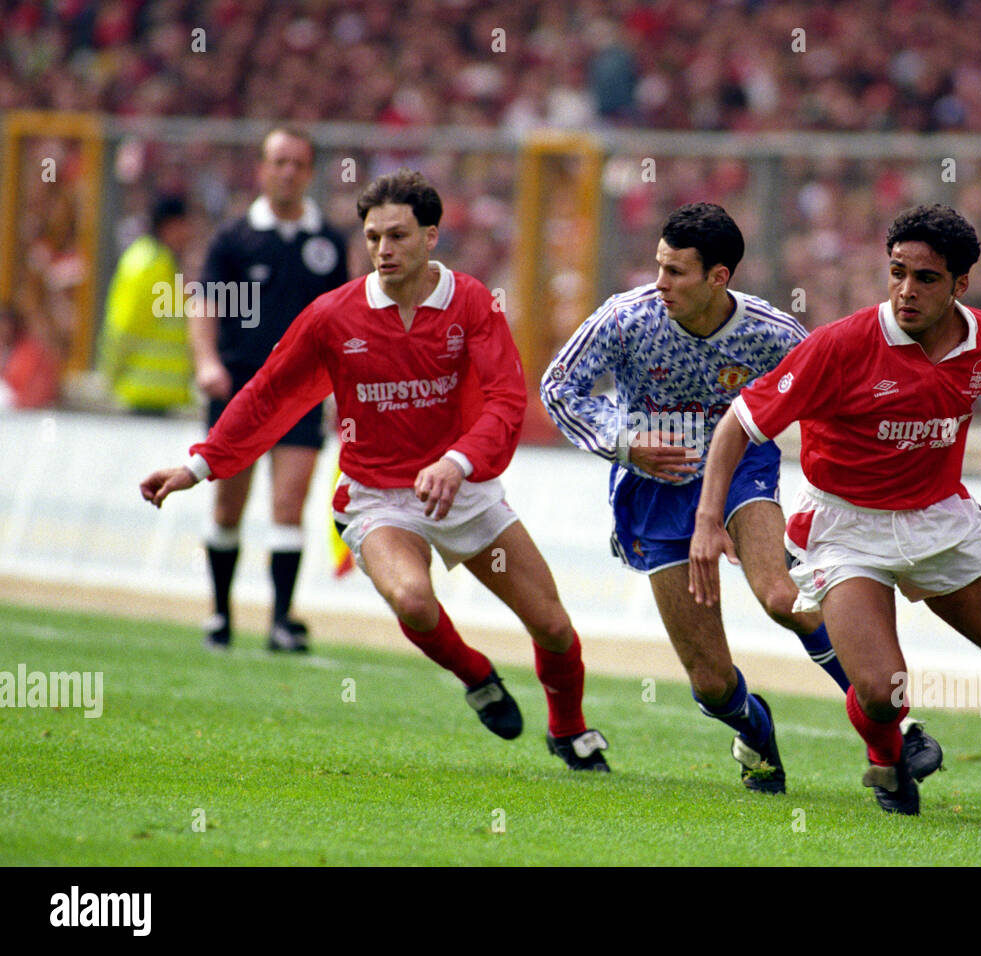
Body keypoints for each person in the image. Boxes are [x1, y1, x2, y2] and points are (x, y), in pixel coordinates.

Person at [142, 169, 611, 772]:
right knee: (414, 600)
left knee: (551, 625)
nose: (383, 250)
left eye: (398, 235)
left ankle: (569, 730)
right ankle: (476, 675)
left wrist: (457, 460)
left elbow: (505, 401)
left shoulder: (471, 302)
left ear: (431, 236)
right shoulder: (334, 316)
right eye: (372, 237)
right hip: (377, 498)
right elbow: (266, 395)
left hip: (463, 488)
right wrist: (199, 465)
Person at [689, 204, 981, 827]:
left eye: (925, 278)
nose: (906, 290)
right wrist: (710, 519)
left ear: (959, 286)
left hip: (939, 520)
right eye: (897, 272)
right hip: (846, 528)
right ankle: (887, 758)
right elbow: (739, 424)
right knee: (879, 689)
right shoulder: (842, 346)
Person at [541, 202, 939, 794]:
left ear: (718, 277)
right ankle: (754, 732)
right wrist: (626, 443)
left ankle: (898, 735)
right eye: (659, 266)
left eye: (676, 272)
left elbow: (834, 398)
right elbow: (558, 386)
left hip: (742, 468)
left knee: (784, 597)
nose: (660, 283)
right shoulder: (626, 320)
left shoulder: (771, 334)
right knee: (709, 681)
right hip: (653, 487)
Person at [190, 127, 349, 652]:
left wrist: (338, 392)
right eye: (278, 161)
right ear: (261, 168)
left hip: (299, 396)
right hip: (236, 390)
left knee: (289, 506)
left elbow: (341, 323)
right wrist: (208, 361)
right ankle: (219, 614)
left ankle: (281, 621)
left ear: (309, 173)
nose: (287, 172)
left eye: (297, 163)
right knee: (227, 509)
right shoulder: (234, 238)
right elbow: (204, 303)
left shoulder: (327, 242)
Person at [98, 194, 194, 414]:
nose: (188, 234)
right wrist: (110, 376)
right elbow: (123, 326)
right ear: (170, 225)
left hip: (157, 394)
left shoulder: (161, 261)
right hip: (141, 395)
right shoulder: (148, 265)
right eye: (185, 225)